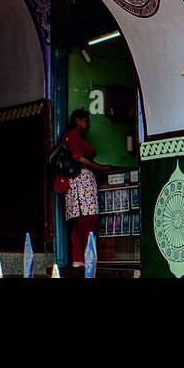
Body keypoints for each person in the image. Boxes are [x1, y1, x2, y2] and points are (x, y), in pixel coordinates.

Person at [60, 109, 114, 271]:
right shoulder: (74, 135)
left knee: (79, 221)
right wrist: (100, 167)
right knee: (86, 219)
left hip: (77, 183)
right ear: (78, 120)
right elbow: (79, 157)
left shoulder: (73, 136)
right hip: (80, 183)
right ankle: (85, 257)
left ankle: (79, 258)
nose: (88, 125)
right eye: (86, 121)